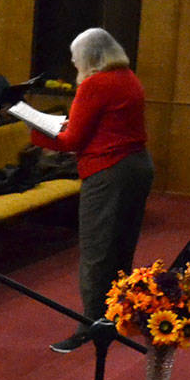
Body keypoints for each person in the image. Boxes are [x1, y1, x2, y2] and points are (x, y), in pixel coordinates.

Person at [39, 28, 153, 354]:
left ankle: (91, 324)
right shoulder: (127, 77)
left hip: (108, 172)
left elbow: (72, 141)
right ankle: (119, 313)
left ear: (90, 58)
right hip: (136, 167)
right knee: (121, 247)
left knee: (96, 251)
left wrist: (35, 132)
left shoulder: (95, 84)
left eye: (76, 59)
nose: (74, 65)